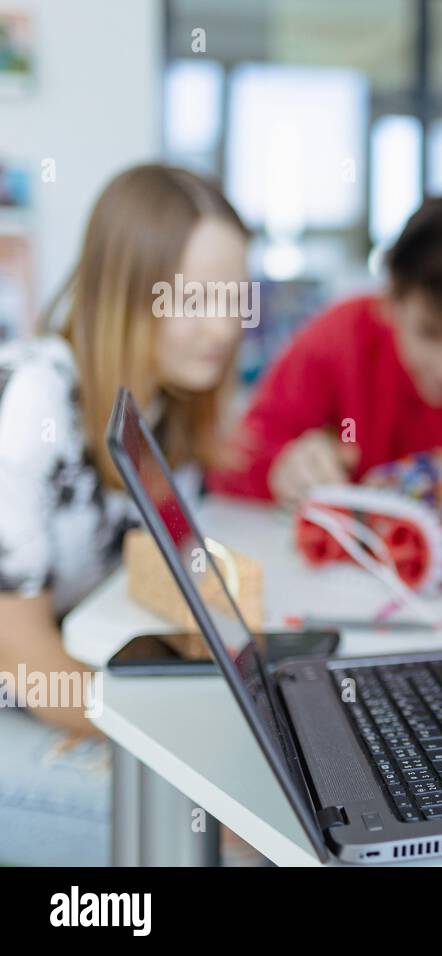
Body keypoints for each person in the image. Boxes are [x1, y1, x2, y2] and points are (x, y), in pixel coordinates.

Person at [0, 164, 249, 865]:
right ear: (127, 293)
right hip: (22, 691)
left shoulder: (165, 403)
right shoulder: (32, 399)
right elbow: (24, 663)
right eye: (195, 300)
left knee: (259, 799)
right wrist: (185, 741)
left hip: (56, 688)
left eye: (234, 298)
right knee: (229, 832)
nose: (224, 328)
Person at [209, 197, 442, 505]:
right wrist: (279, 470)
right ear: (391, 302)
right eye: (430, 333)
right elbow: (230, 466)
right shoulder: (339, 340)